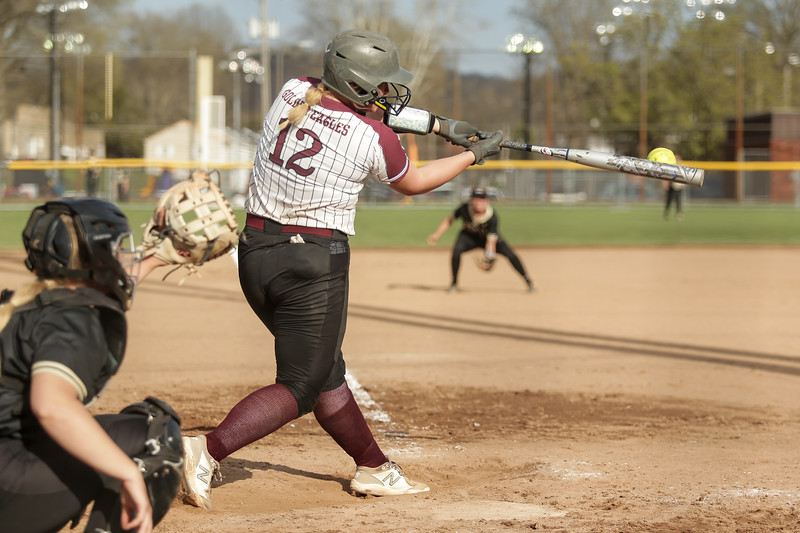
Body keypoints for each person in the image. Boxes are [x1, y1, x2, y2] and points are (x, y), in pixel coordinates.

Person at [179, 28, 503, 510]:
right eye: (380, 83)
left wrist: (439, 124)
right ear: (358, 84)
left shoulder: (293, 90)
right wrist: (472, 155)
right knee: (302, 385)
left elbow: (360, 110)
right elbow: (413, 182)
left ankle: (374, 467)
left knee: (326, 370)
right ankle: (205, 450)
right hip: (311, 265)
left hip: (255, 256)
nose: (387, 91)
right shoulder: (375, 137)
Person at [0, 198, 182, 533]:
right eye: (116, 249)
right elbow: (51, 406)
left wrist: (159, 258)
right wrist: (126, 471)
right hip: (8, 482)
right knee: (154, 434)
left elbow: (94, 290)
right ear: (98, 256)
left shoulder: (20, 303)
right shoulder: (74, 318)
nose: (122, 257)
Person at [427, 187, 536, 292]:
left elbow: (491, 241)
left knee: (511, 255)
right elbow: (449, 220)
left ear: (487, 201)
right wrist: (436, 235)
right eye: (476, 199)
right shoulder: (464, 209)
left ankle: (528, 281)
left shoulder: (492, 217)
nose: (479, 202)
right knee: (456, 252)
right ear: (471, 200)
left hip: (487, 239)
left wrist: (490, 256)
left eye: (482, 199)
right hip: (469, 236)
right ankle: (454, 283)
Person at [648, 148, 685, 221]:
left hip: (679, 188)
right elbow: (665, 176)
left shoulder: (682, 167)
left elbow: (685, 178)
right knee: (669, 200)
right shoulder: (670, 166)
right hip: (672, 187)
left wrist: (682, 185)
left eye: (678, 158)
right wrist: (665, 183)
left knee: (679, 201)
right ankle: (667, 212)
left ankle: (678, 214)